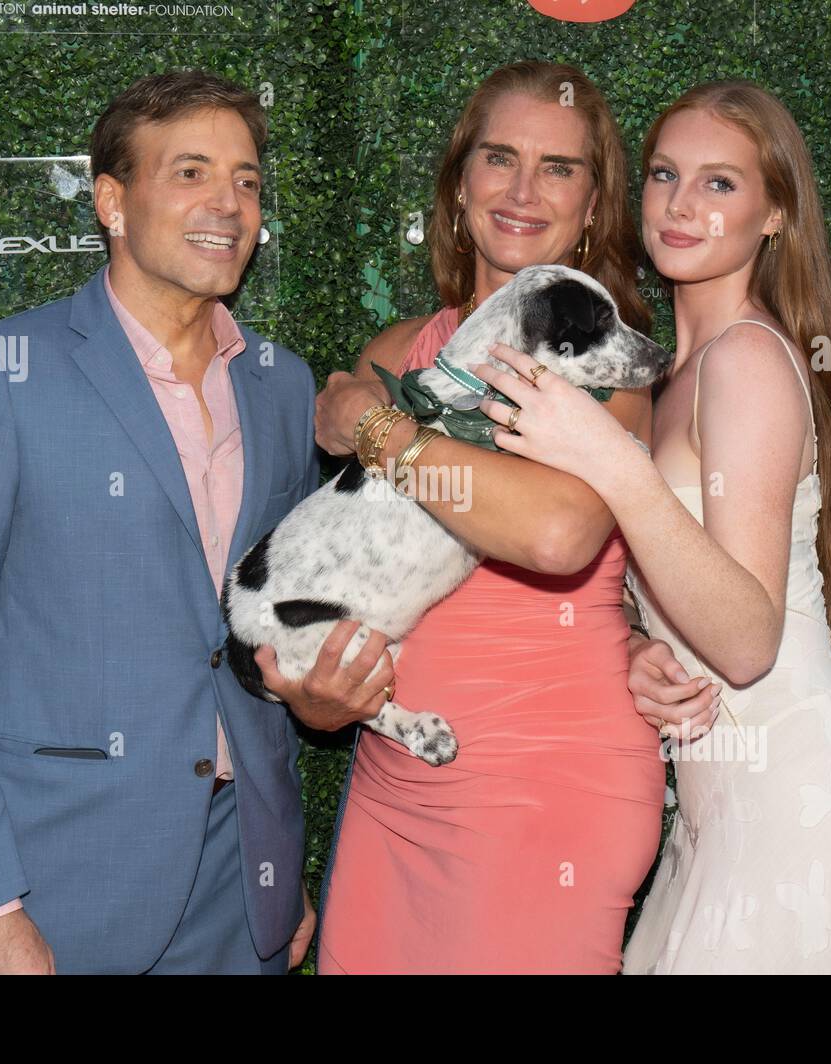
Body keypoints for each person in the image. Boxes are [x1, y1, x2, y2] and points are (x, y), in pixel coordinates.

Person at [0, 70, 382, 974]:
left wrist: (275, 860)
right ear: (112, 200)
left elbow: (248, 633)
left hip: (238, 898)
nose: (229, 202)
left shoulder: (279, 385)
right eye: (190, 172)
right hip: (48, 893)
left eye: (248, 180)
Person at [469, 80, 831, 974]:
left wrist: (605, 459)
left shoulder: (745, 361)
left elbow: (743, 641)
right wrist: (637, 651)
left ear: (775, 216)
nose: (682, 205)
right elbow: (688, 586)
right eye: (664, 175)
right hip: (720, 818)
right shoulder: (675, 367)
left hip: (804, 815)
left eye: (721, 183)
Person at [301, 62, 679, 974]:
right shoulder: (394, 351)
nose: (521, 190)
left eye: (559, 168)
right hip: (399, 780)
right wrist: (312, 690)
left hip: (545, 786)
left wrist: (375, 426)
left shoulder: (603, 361)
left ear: (594, 204)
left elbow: (557, 535)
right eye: (498, 158)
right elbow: (347, 566)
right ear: (459, 183)